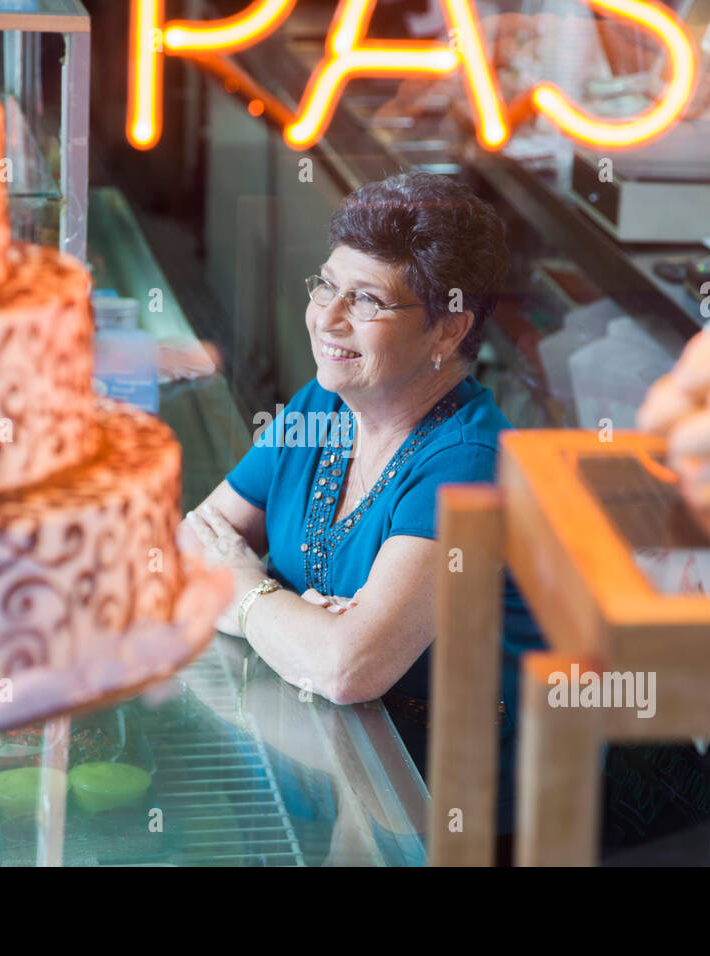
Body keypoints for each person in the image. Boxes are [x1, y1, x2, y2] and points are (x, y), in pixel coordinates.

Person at [179, 171, 542, 862]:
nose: (326, 317)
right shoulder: (326, 405)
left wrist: (248, 591)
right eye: (325, 285)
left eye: (366, 299)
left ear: (450, 327)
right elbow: (191, 542)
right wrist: (297, 624)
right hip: (343, 773)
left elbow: (349, 669)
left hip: (458, 821)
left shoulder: (471, 462)